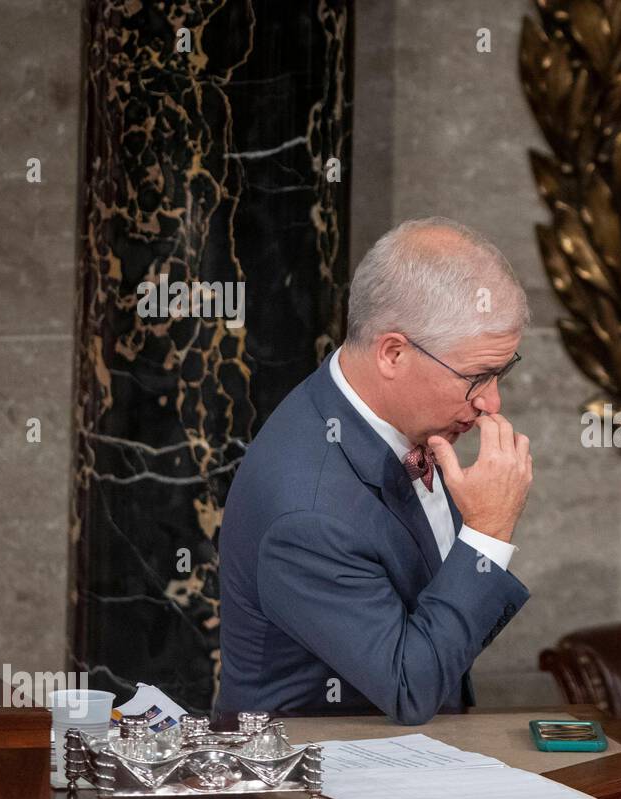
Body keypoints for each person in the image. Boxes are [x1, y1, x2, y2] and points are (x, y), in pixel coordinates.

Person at [214, 218, 533, 724]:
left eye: (502, 372)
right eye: (477, 376)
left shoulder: (388, 416)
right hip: (316, 766)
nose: (491, 403)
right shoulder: (309, 514)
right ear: (393, 353)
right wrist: (488, 533)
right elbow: (409, 688)